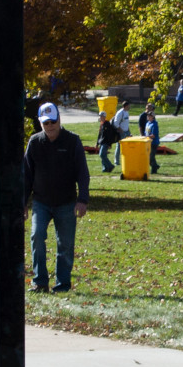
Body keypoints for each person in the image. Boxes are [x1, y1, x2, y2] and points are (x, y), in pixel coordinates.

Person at [24, 102, 91, 293]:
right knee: (36, 236)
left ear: (59, 120)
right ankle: (40, 282)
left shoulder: (73, 141)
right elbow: (26, 175)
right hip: (41, 202)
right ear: (40, 123)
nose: (50, 126)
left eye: (53, 121)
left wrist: (83, 199)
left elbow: (83, 173)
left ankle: (62, 284)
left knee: (66, 244)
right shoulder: (34, 142)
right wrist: (22, 203)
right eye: (46, 123)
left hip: (67, 202)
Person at [97, 109, 122, 175]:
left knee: (102, 154)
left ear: (104, 117)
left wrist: (109, 144)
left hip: (106, 142)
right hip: (102, 142)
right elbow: (100, 135)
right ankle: (105, 168)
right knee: (103, 155)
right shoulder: (101, 124)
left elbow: (109, 135)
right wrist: (97, 143)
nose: (100, 117)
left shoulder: (107, 124)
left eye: (101, 116)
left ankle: (110, 166)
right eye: (100, 116)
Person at [140, 106, 161, 174]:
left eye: (149, 116)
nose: (148, 117)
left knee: (151, 157)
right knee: (149, 156)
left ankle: (154, 168)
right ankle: (155, 166)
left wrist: (146, 137)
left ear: (153, 117)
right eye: (148, 116)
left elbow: (153, 135)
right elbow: (146, 132)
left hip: (154, 143)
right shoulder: (147, 123)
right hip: (148, 142)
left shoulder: (154, 124)